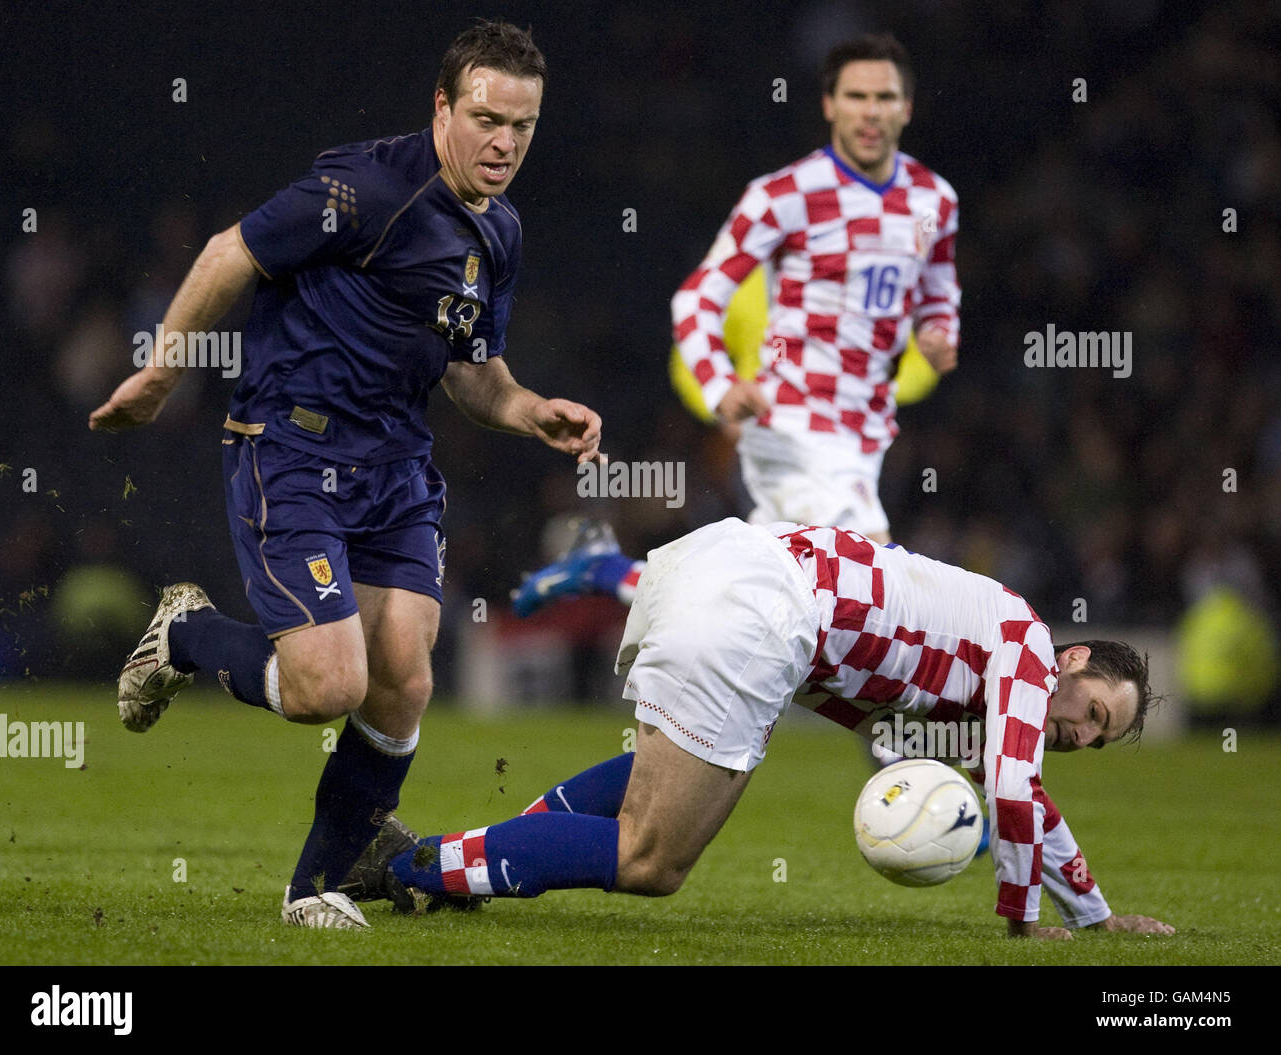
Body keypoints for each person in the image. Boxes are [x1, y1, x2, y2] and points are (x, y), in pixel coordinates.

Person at [87, 20, 603, 929]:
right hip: (292, 448)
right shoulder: (362, 187)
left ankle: (324, 874)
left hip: (397, 466)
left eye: (523, 126)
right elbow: (227, 252)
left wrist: (530, 410)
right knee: (328, 686)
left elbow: (473, 373)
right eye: (486, 118)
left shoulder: (502, 232)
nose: (504, 143)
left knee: (403, 677)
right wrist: (163, 372)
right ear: (442, 107)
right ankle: (190, 634)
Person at [352, 518, 1174, 939]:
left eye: (1099, 738)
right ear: (1071, 661)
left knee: (668, 791)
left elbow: (1015, 791)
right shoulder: (1027, 644)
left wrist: (1093, 914)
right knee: (652, 858)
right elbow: (1013, 787)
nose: (1082, 734)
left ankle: (453, 857)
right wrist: (1024, 921)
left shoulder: (986, 675)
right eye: (1093, 712)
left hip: (729, 571)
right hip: (762, 614)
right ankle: (421, 864)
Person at [672, 32, 958, 544]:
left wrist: (939, 330)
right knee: (872, 570)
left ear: (907, 108)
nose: (870, 112)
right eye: (856, 96)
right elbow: (696, 298)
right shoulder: (783, 196)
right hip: (792, 425)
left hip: (866, 434)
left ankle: (615, 573)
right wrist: (719, 385)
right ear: (830, 104)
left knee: (780, 588)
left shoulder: (933, 200)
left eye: (884, 97)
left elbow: (937, 287)